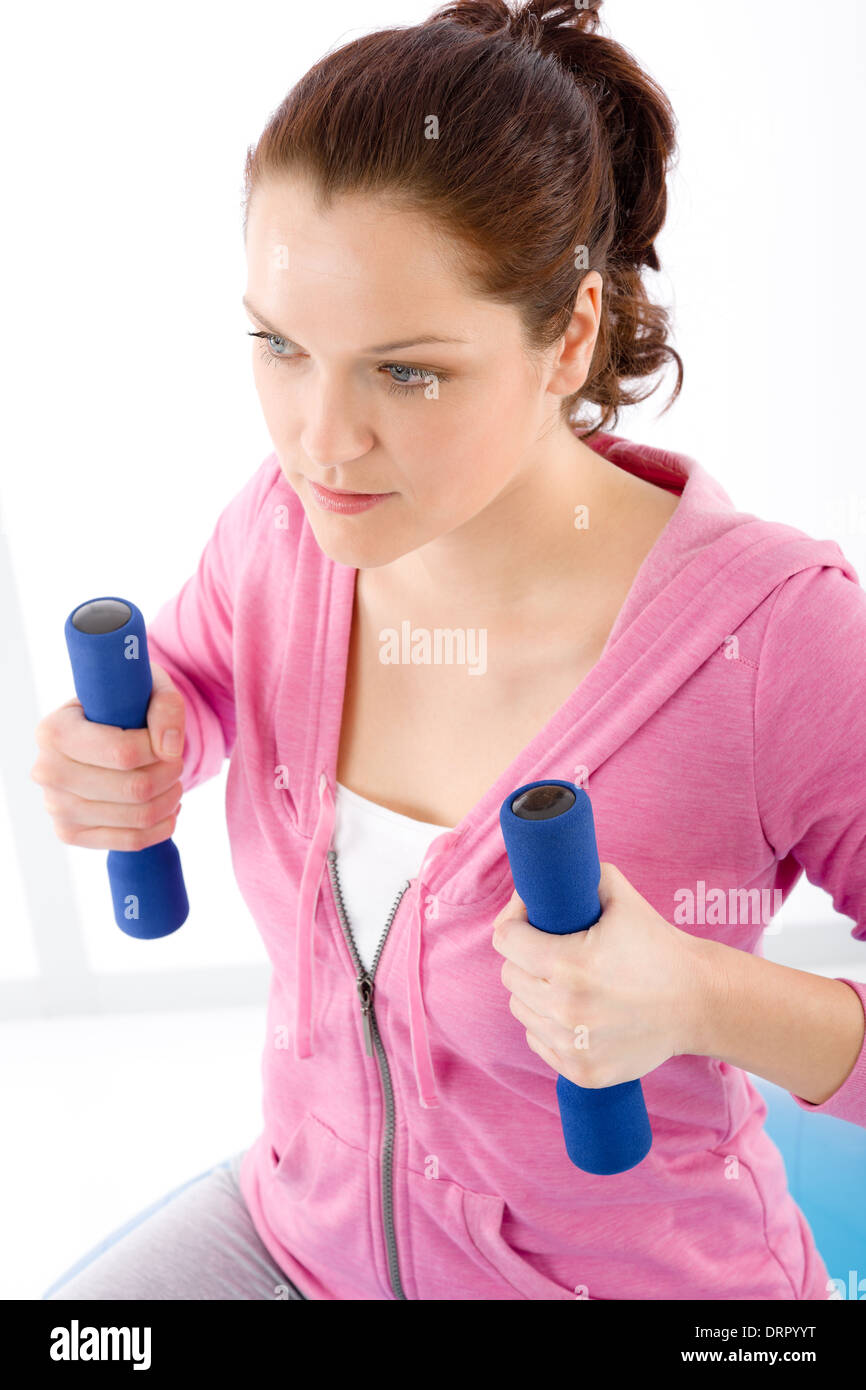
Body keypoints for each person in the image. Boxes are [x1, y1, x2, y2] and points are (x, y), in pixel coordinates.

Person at [34, 0, 866, 1301]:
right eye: (280, 347)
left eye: (406, 374)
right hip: (295, 1241)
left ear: (569, 337)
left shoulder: (774, 639)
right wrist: (143, 747)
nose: (319, 440)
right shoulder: (282, 532)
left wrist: (702, 996)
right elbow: (195, 674)